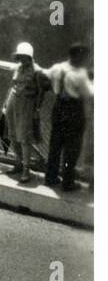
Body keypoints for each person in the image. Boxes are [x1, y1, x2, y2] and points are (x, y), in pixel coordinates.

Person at [45, 42, 93, 190]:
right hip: (73, 111)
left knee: (55, 145)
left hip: (59, 107)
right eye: (84, 56)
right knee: (72, 148)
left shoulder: (57, 67)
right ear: (78, 56)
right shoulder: (79, 75)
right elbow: (90, 94)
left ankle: (51, 177)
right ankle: (68, 181)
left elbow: (43, 76)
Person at [1, 41, 44, 184]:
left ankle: (27, 169)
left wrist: (37, 109)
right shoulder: (18, 68)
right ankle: (18, 163)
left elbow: (40, 92)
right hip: (14, 101)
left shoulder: (37, 71)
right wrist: (6, 104)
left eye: (24, 56)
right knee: (12, 134)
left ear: (30, 57)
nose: (22, 59)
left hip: (27, 103)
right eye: (20, 56)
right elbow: (12, 86)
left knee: (24, 137)